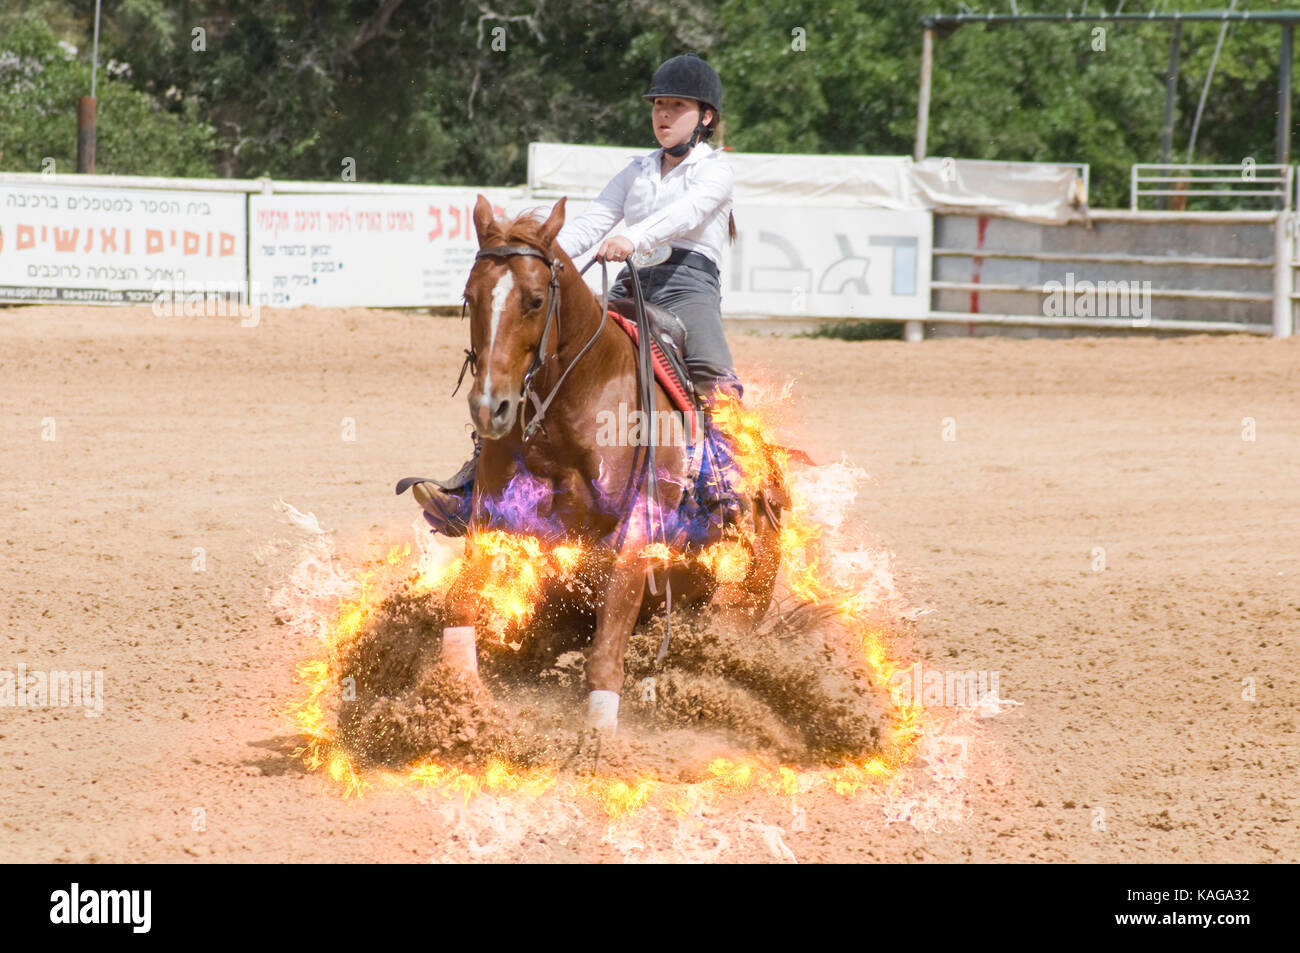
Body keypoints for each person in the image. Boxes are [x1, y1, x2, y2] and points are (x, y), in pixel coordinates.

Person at [405, 52, 744, 535]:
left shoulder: (716, 172)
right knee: (548, 355)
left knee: (713, 372)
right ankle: (474, 484)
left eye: (677, 106)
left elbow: (685, 216)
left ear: (705, 117)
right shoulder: (636, 171)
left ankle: (723, 486)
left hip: (688, 287)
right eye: (658, 106)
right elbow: (593, 220)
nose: (663, 116)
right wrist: (541, 251)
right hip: (629, 284)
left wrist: (635, 237)